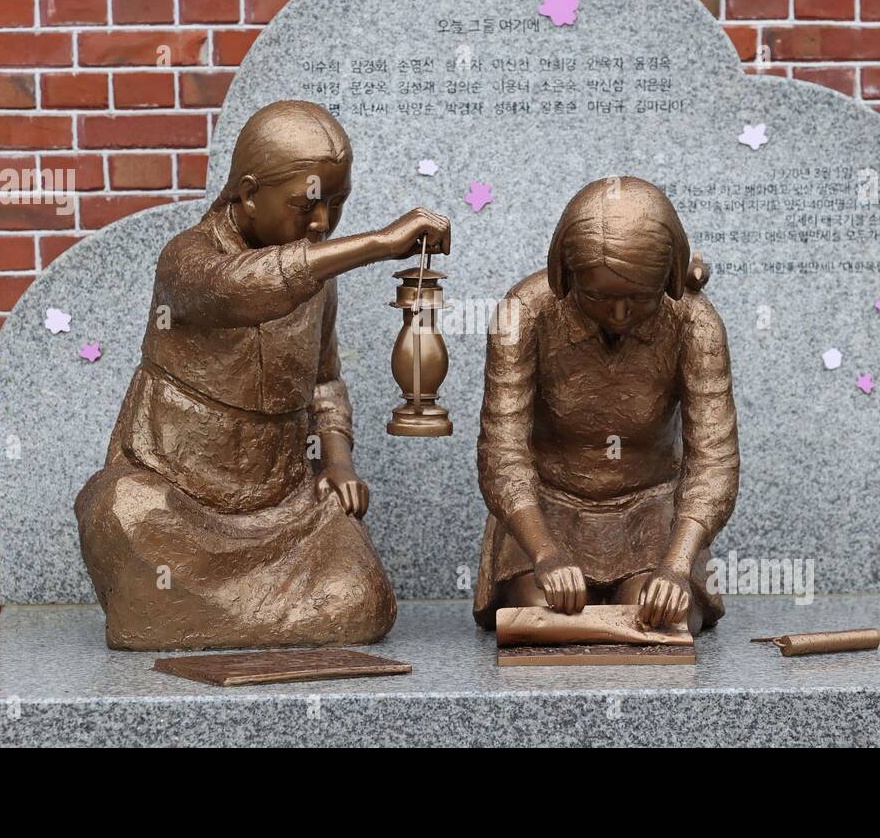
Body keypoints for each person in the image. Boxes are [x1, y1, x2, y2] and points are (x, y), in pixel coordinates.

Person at [76, 100, 450, 650]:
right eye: (307, 207)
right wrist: (377, 244)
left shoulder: (319, 270)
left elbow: (324, 381)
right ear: (249, 194)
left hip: (284, 505)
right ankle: (186, 613)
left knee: (364, 599)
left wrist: (337, 462)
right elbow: (241, 289)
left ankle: (202, 617)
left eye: (337, 205)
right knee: (120, 508)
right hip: (180, 500)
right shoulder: (186, 259)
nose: (321, 224)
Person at [474, 176, 739, 634]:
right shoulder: (523, 314)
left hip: (651, 510)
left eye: (639, 298)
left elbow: (713, 460)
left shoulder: (695, 322)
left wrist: (676, 565)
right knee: (538, 614)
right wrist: (545, 552)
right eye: (597, 297)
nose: (619, 316)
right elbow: (502, 454)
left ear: (669, 280)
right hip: (547, 507)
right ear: (566, 276)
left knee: (657, 616)